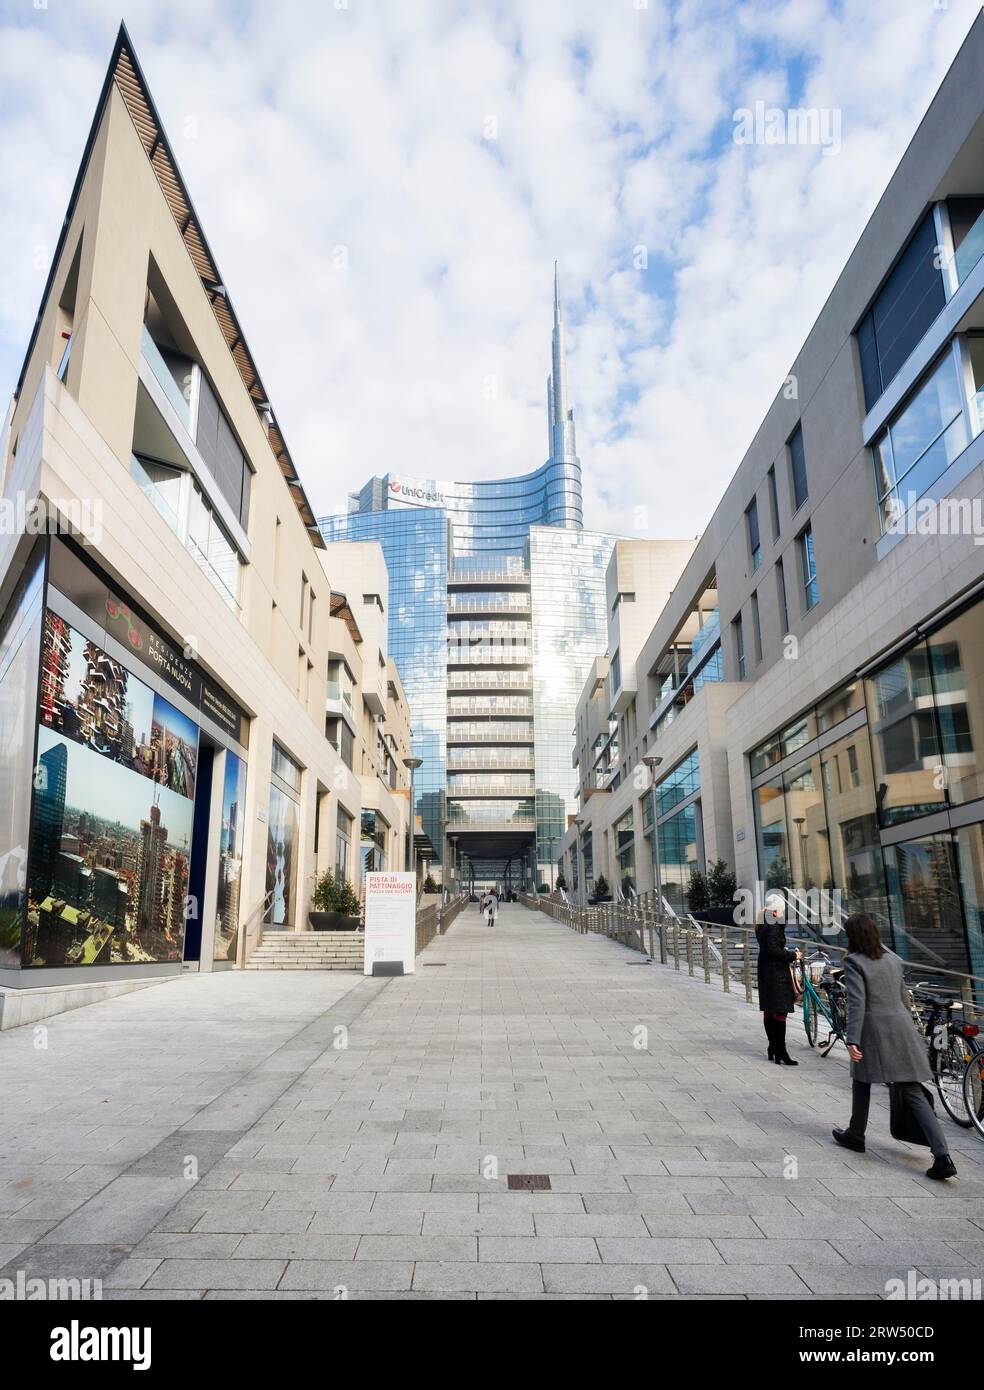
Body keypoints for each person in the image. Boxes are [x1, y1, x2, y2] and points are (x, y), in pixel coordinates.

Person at [832, 913, 957, 1180]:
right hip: (902, 1029)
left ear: (853, 937)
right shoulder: (893, 960)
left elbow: (857, 1003)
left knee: (861, 1080)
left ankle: (856, 1134)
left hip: (872, 1031)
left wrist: (852, 1039)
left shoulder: (854, 962)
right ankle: (942, 1155)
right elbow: (903, 999)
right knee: (911, 1090)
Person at [756, 891, 801, 1065]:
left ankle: (773, 1047)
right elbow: (774, 950)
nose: (783, 915)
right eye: (781, 912)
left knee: (770, 1009)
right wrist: (793, 955)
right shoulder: (773, 927)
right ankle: (780, 1051)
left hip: (767, 972)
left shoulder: (764, 924)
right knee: (780, 1011)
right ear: (775, 912)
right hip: (776, 974)